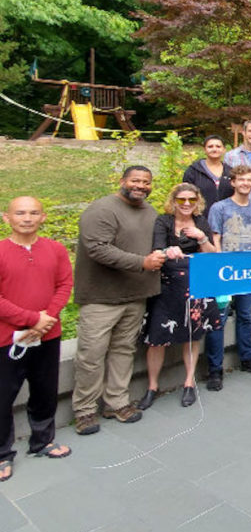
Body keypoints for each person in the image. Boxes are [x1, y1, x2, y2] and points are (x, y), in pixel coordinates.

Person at [72, 166, 164, 435]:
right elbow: (98, 248)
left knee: (123, 350)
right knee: (91, 355)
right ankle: (85, 410)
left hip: (135, 295)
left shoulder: (150, 212)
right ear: (122, 181)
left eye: (146, 182)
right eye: (135, 180)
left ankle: (117, 402)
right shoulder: (101, 210)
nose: (141, 186)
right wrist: (142, 263)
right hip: (101, 297)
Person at [0, 197, 73, 480]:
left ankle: (42, 440)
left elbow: (65, 284)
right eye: (20, 213)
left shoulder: (55, 250)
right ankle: (3, 454)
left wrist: (46, 319)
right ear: (7, 218)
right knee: (3, 396)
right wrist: (32, 320)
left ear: (43, 217)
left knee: (44, 390)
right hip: (8, 339)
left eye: (33, 213)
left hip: (47, 335)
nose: (27, 218)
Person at [139, 184, 220, 410]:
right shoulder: (163, 222)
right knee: (156, 339)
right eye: (182, 200)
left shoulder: (201, 221)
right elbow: (156, 250)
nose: (186, 204)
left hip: (195, 284)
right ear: (174, 201)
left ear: (197, 201)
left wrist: (202, 238)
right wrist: (167, 252)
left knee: (192, 335)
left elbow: (213, 255)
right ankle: (152, 386)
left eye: (191, 200)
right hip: (167, 287)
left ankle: (188, 382)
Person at [205, 165, 251, 390]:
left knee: (245, 315)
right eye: (241, 179)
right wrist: (220, 265)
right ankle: (214, 369)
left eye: (249, 180)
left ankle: (247, 358)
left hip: (248, 271)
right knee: (218, 320)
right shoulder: (219, 208)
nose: (245, 183)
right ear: (232, 182)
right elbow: (216, 237)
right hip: (224, 272)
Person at [183, 134, 233, 216]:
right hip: (200, 218)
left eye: (218, 146)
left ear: (224, 149)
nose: (214, 149)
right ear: (204, 149)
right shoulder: (193, 171)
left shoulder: (230, 172)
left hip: (226, 219)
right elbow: (185, 195)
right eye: (210, 146)